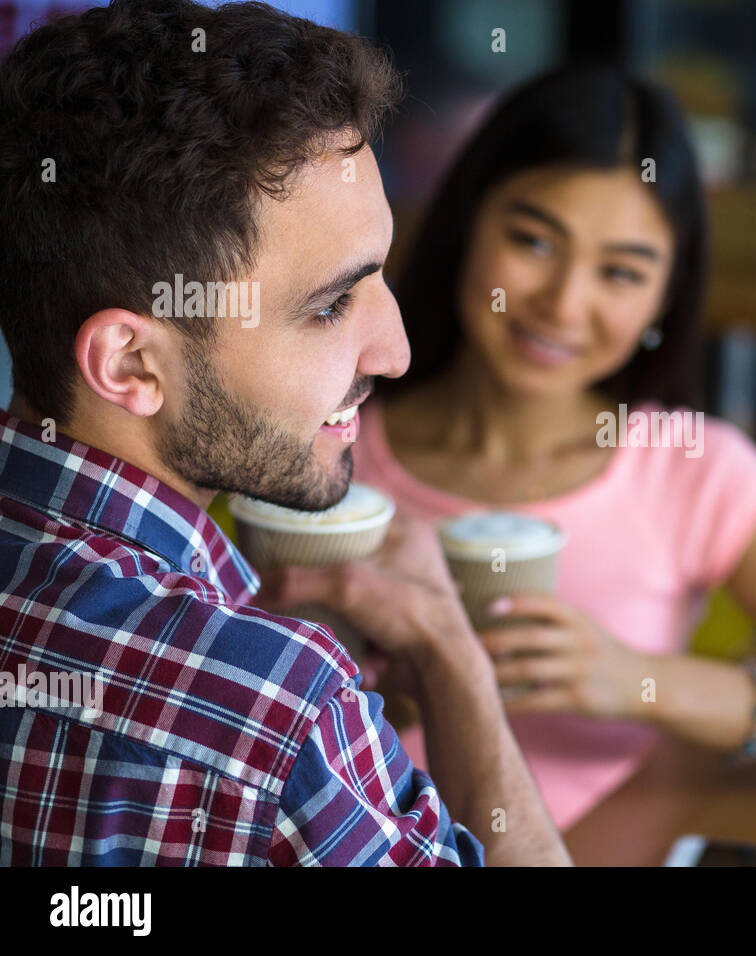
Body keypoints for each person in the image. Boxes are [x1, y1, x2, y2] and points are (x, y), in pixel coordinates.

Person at [0, 0, 568, 866]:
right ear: (130, 364)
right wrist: (457, 664)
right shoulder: (286, 704)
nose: (398, 351)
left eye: (379, 276)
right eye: (331, 304)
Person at [316, 66, 756, 831]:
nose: (564, 302)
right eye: (532, 240)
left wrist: (641, 682)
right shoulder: (326, 436)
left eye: (621, 272)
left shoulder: (692, 469)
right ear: (466, 223)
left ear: (665, 295)